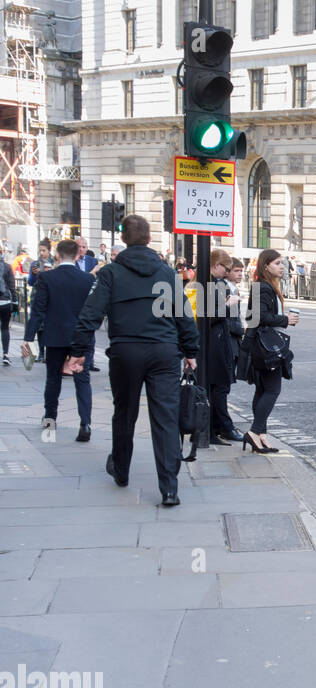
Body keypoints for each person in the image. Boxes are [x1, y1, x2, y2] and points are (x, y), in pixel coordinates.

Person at [67, 214, 198, 507]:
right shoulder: (165, 273)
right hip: (164, 351)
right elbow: (183, 314)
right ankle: (169, 489)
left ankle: (122, 472)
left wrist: (77, 351)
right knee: (164, 417)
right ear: (150, 238)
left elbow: (90, 315)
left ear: (123, 239)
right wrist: (191, 352)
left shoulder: (110, 273)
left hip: (126, 351)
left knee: (124, 412)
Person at [21, 239, 95, 440]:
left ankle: (50, 420)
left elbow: (38, 311)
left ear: (57, 255)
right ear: (78, 255)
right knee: (82, 380)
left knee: (53, 379)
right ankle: (85, 424)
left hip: (55, 336)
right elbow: (93, 311)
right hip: (81, 337)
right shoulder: (87, 280)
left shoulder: (46, 278)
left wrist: (28, 338)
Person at [238, 249, 298, 453]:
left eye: (282, 263)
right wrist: (285, 319)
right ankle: (255, 431)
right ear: (266, 266)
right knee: (272, 390)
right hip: (265, 348)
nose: (282, 267)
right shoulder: (263, 288)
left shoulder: (263, 287)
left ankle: (261, 434)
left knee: (263, 390)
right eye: (277, 263)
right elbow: (260, 317)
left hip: (260, 345)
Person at [203, 248, 244, 446]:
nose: (227, 272)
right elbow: (209, 317)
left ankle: (215, 429)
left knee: (216, 388)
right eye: (226, 268)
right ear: (217, 265)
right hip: (216, 344)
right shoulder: (214, 285)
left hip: (214, 343)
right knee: (219, 388)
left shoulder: (209, 282)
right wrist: (228, 305)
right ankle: (220, 428)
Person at [0, 251, 14, 367]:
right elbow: (12, 285)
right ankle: (6, 355)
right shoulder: (7, 267)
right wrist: (15, 302)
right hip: (5, 301)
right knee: (5, 328)